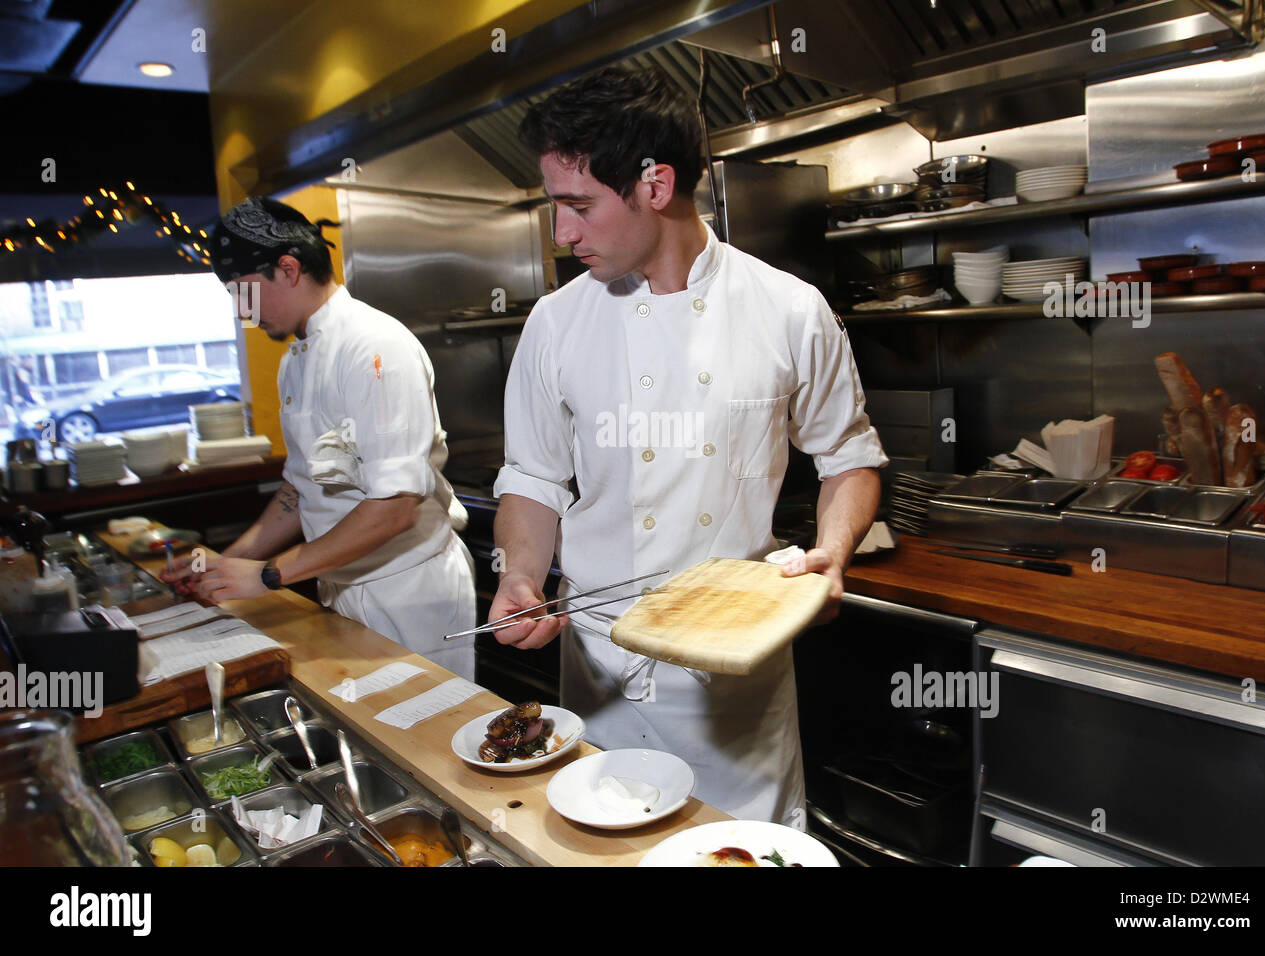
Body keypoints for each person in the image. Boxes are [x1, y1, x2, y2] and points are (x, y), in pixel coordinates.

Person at [487, 66, 887, 825]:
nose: (562, 233)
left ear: (656, 185)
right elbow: (533, 477)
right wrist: (520, 575)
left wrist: (832, 554)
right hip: (599, 679)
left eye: (578, 206)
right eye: (555, 207)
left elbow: (849, 459)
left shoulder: (788, 309)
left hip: (733, 691)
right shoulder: (554, 322)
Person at [162, 197, 475, 677]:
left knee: (421, 741)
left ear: (287, 269)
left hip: (408, 589)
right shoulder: (296, 360)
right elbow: (302, 485)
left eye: (242, 294)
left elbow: (393, 506)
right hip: (338, 581)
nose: (242, 314)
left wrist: (268, 574)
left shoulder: (374, 346)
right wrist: (229, 562)